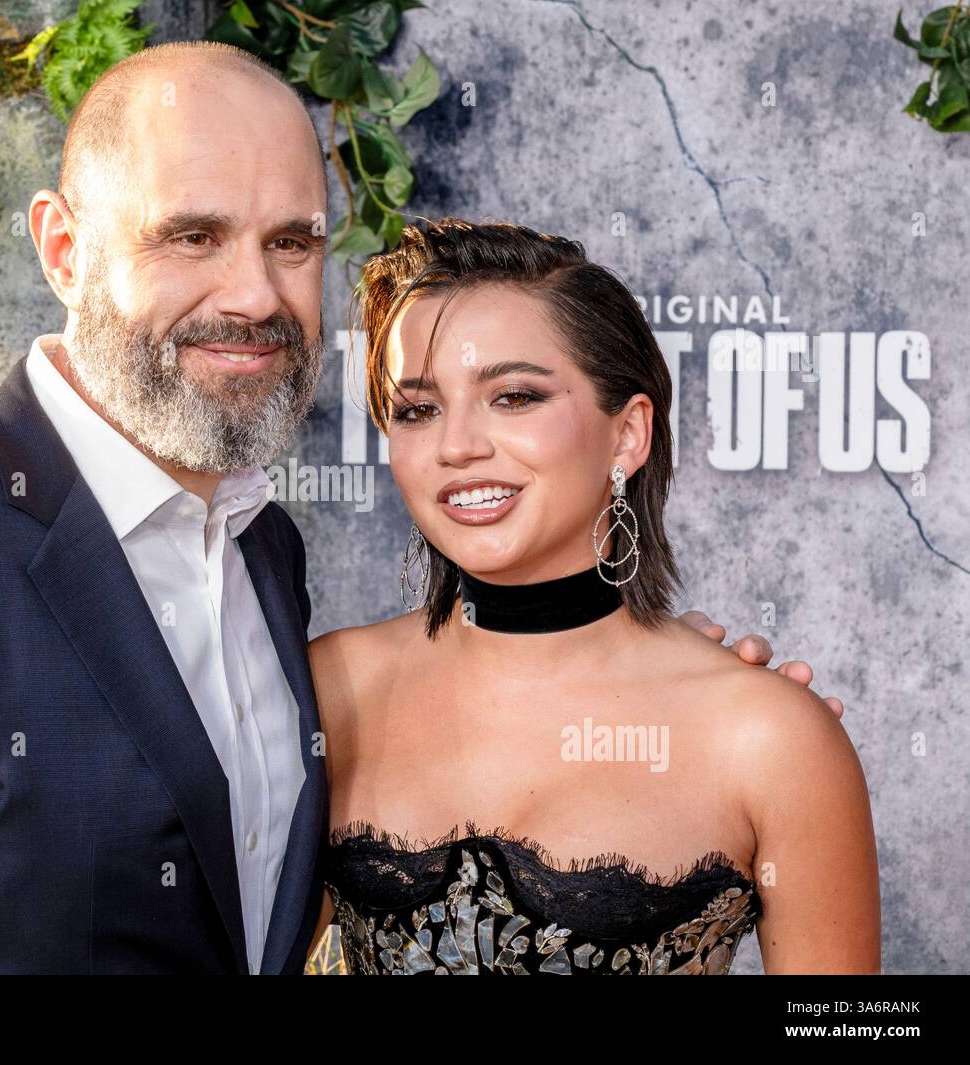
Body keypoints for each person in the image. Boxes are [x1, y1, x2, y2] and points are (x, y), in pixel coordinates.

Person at [0, 42, 843, 975]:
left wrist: (697, 701)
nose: (254, 295)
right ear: (65, 249)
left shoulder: (261, 550)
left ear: (626, 431)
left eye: (292, 242)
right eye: (192, 235)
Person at [308, 218, 880, 975]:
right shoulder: (329, 688)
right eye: (417, 409)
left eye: (513, 396)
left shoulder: (770, 736)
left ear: (628, 435)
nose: (456, 446)